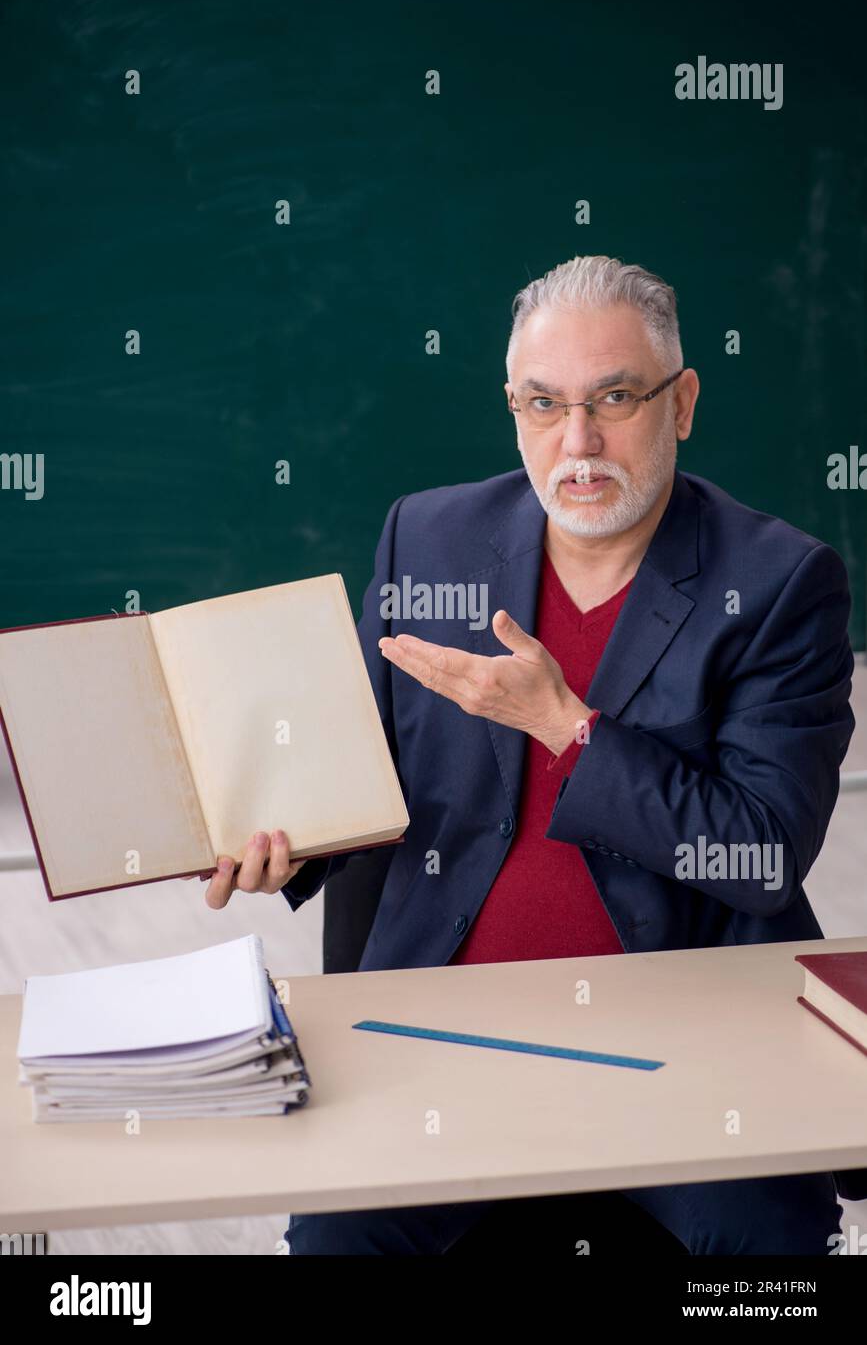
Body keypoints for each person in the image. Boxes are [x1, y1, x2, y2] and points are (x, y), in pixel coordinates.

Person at [203, 255, 863, 1251]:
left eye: (615, 398)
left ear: (682, 403)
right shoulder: (426, 537)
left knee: (764, 1264)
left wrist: (571, 728)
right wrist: (290, 844)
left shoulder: (780, 583)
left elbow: (761, 853)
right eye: (544, 403)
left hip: (691, 1042)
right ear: (512, 406)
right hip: (433, 1035)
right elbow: (370, 777)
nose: (578, 441)